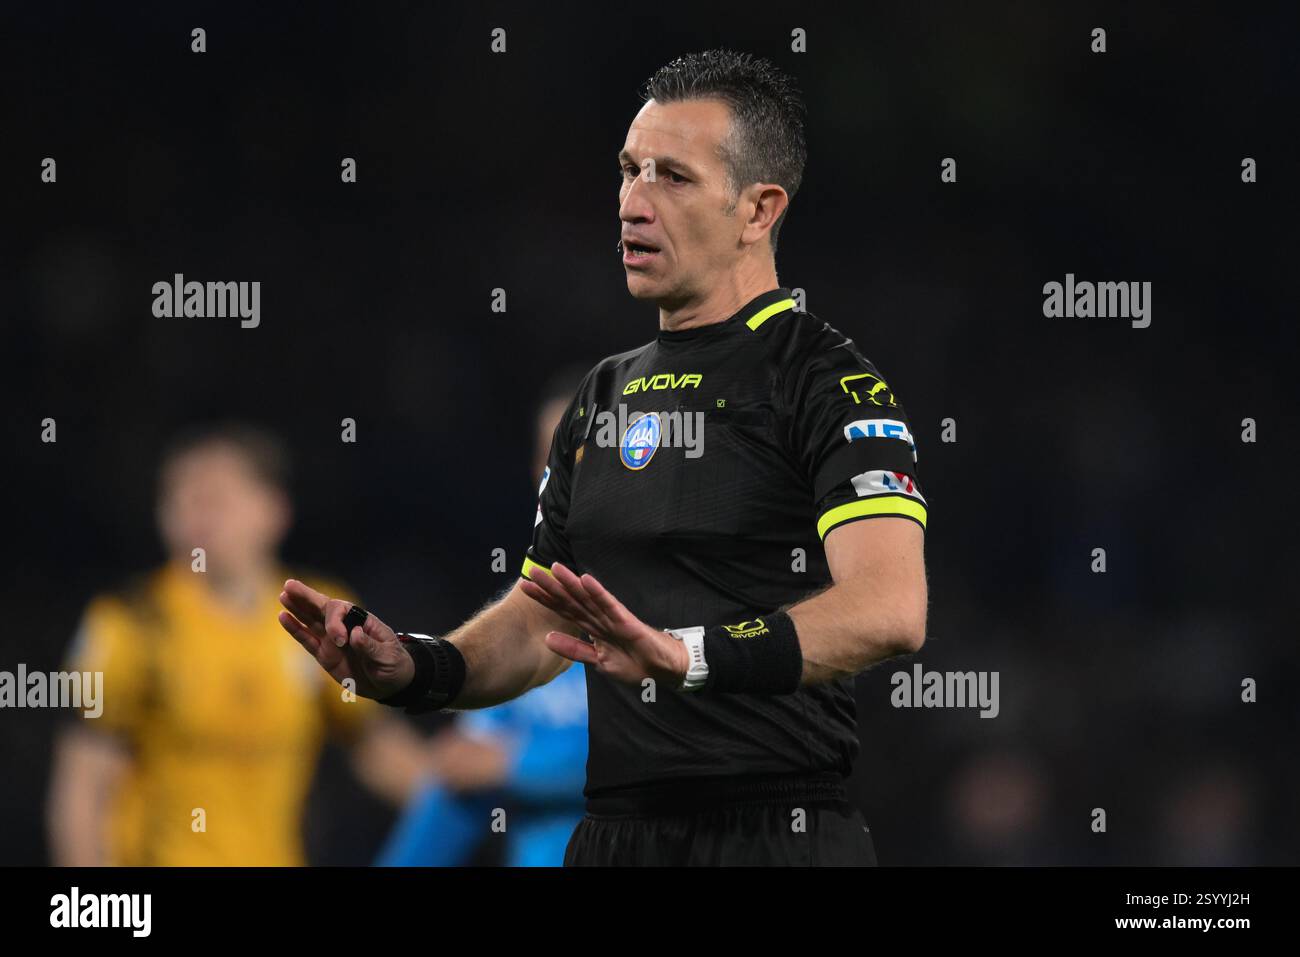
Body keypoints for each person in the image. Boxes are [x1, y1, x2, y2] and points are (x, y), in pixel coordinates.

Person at [279, 50, 929, 866]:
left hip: (773, 836)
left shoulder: (825, 380)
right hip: (614, 840)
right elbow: (543, 614)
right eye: (628, 170)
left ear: (758, 210)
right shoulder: (603, 395)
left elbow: (891, 606)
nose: (631, 203)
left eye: (672, 177)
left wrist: (686, 654)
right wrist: (418, 666)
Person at [48, 424, 428, 866]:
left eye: (215, 499)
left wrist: (472, 799)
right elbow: (82, 788)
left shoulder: (317, 614)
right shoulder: (130, 624)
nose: (195, 515)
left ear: (273, 510)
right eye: (178, 498)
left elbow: (377, 747)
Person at [376, 375, 589, 867]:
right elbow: (460, 774)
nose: (562, 473)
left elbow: (687, 752)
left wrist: (516, 763)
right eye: (549, 455)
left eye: (581, 451)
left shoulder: (684, 601)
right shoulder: (523, 616)